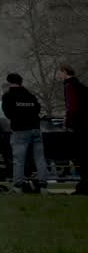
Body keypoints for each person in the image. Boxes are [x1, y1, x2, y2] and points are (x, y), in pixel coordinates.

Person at [1, 73, 47, 192]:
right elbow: (37, 109)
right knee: (40, 158)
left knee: (18, 160)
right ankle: (43, 186)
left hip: (20, 130)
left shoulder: (8, 95)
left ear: (9, 82)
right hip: (36, 129)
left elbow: (8, 114)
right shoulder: (30, 94)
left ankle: (17, 187)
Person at [59, 64, 88, 195]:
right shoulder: (81, 86)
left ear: (65, 72)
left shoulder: (69, 86)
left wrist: (67, 122)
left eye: (60, 73)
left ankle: (83, 186)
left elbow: (72, 107)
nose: (59, 76)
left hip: (79, 126)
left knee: (80, 157)